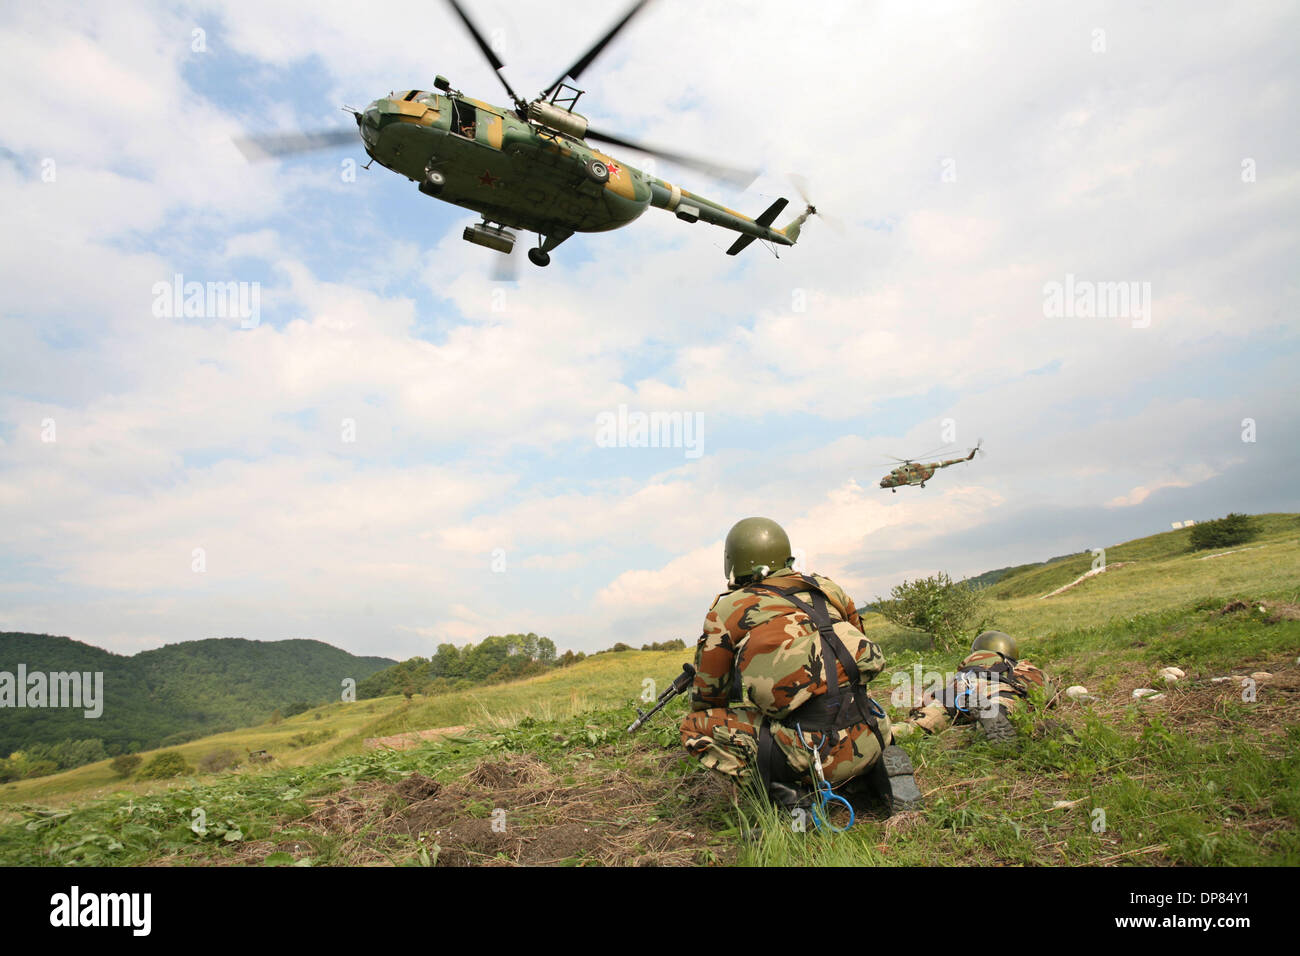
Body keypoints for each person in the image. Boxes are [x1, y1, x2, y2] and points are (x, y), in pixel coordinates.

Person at [679, 517, 923, 816]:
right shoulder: (827, 587)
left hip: (811, 750)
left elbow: (708, 699)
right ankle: (873, 772)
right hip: (871, 729)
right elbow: (857, 642)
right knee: (843, 694)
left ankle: (792, 797)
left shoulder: (729, 609)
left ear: (733, 561)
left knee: (694, 726)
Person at [893, 630, 1056, 743]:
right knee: (1003, 703)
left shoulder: (969, 664)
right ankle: (992, 717)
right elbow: (1048, 695)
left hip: (958, 689)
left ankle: (890, 735)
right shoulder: (1020, 666)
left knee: (929, 717)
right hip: (994, 685)